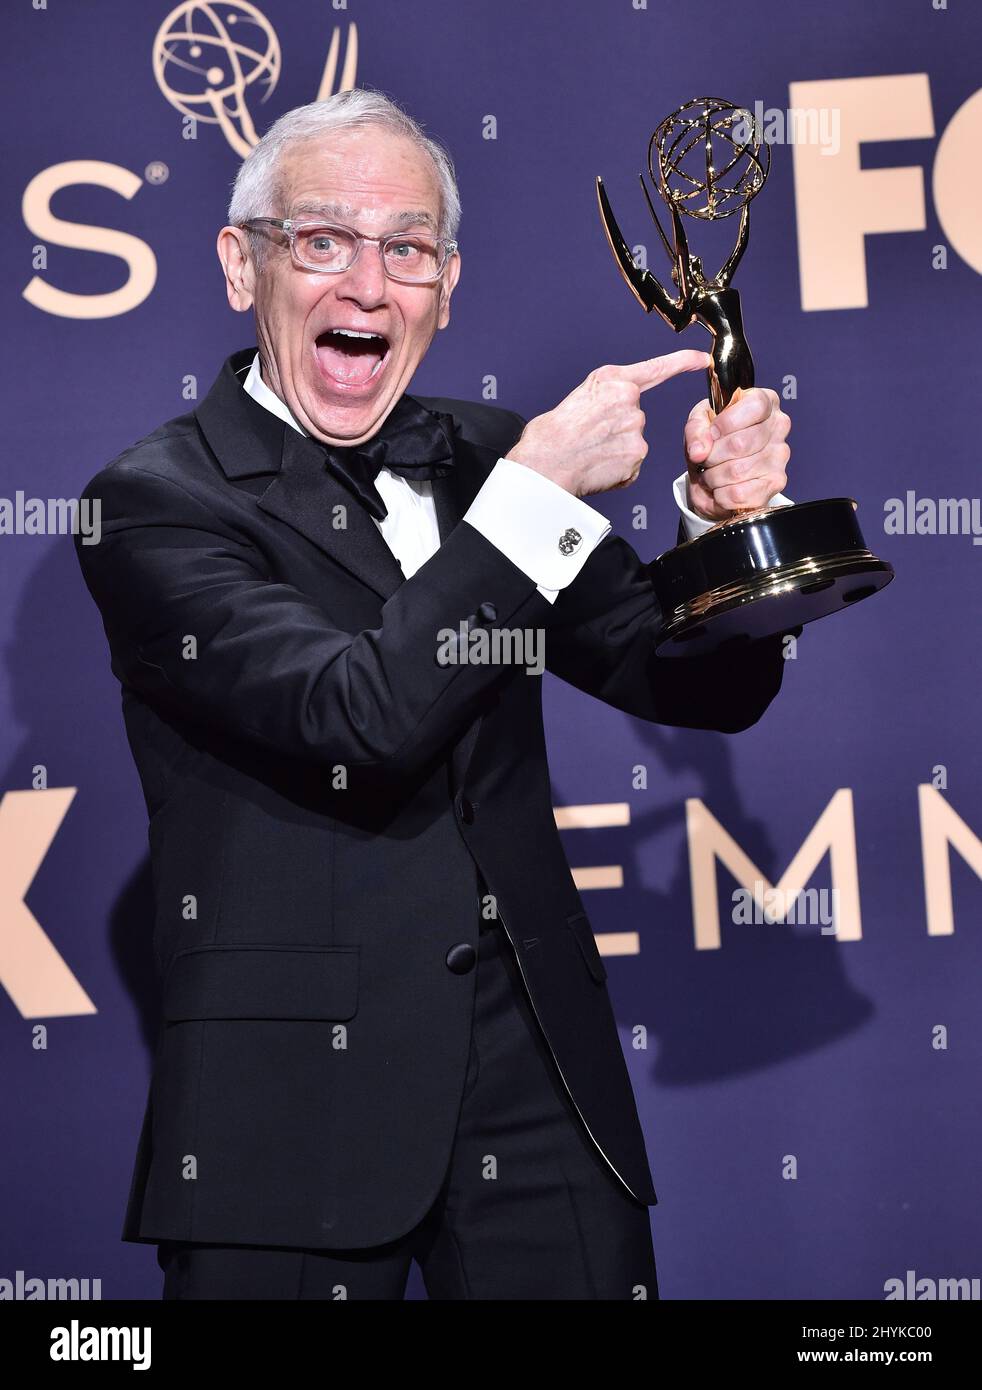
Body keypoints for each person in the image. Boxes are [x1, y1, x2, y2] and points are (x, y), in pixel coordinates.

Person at [74, 87, 793, 1301]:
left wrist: (719, 532)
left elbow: (687, 681)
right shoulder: (153, 501)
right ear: (240, 265)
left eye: (405, 248)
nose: (367, 285)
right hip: (285, 1121)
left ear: (446, 287)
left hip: (544, 1093)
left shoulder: (483, 454)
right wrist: (532, 499)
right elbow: (355, 717)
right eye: (323, 241)